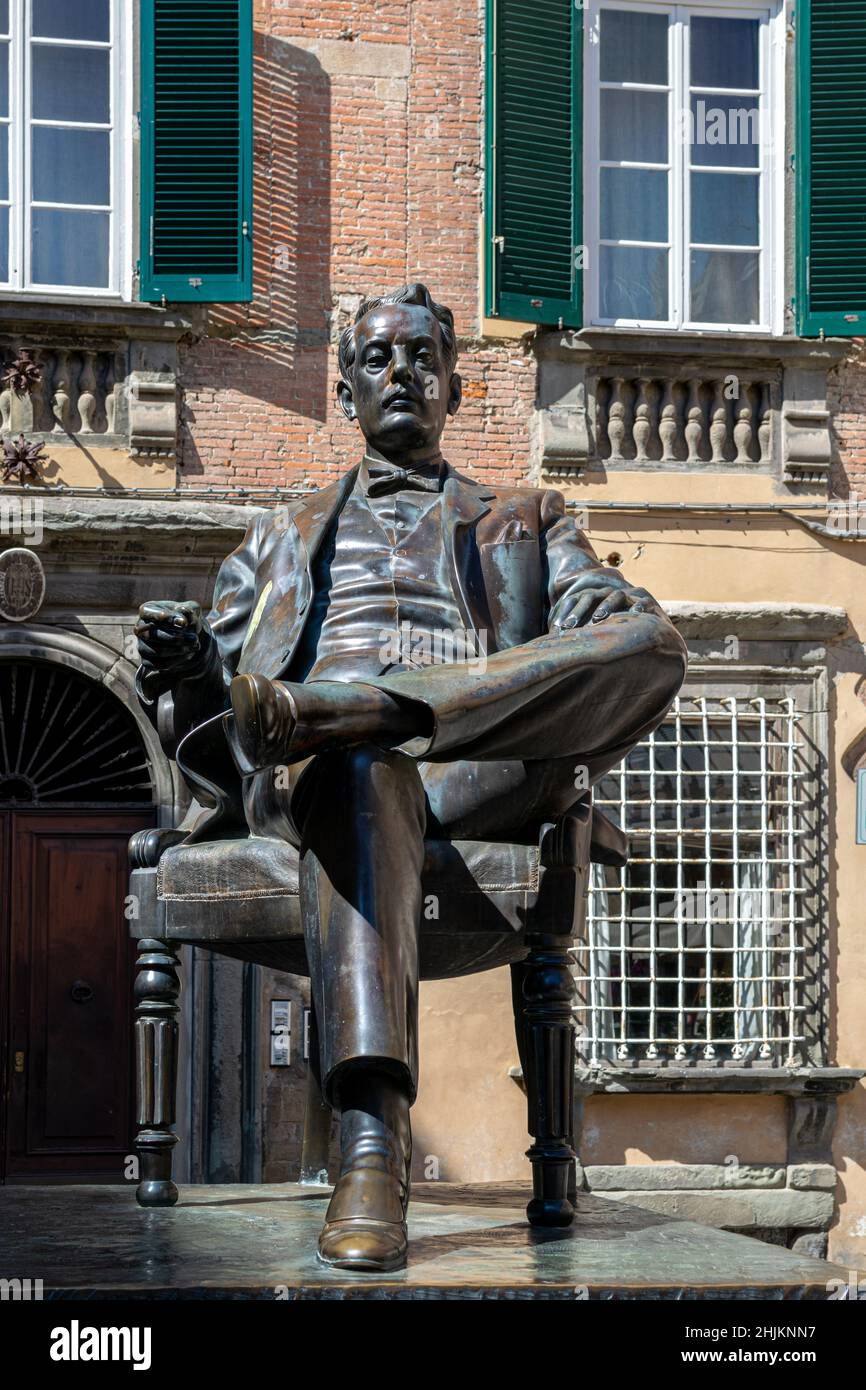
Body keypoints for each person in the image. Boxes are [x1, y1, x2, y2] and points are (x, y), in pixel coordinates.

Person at [135, 283, 686, 1271]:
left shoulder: (527, 518)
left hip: (483, 771)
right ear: (345, 389)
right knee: (357, 764)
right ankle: (370, 1150)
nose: (402, 373)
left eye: (421, 357)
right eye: (379, 358)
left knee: (650, 640)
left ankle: (353, 708)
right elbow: (214, 729)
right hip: (325, 780)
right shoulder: (276, 537)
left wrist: (379, 705)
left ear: (454, 388)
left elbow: (624, 635)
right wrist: (187, 680)